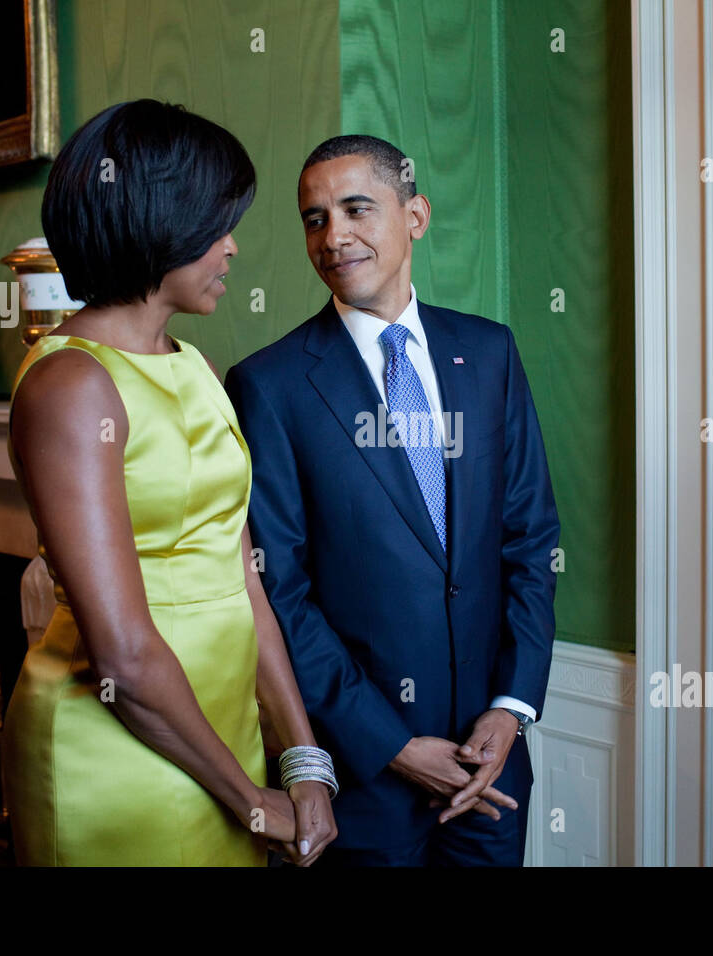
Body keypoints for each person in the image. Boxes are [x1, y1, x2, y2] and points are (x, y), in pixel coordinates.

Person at [2, 100, 336, 866]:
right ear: (161, 223)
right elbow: (120, 653)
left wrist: (301, 761)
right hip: (117, 760)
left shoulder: (194, 366)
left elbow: (243, 580)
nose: (233, 247)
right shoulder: (70, 387)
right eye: (216, 226)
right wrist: (253, 806)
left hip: (227, 743)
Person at [225, 135, 560, 866]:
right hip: (364, 783)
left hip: (490, 770)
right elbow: (280, 591)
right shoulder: (270, 386)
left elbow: (531, 542)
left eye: (355, 209)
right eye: (314, 218)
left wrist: (510, 711)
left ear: (415, 215)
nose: (333, 236)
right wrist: (394, 746)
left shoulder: (491, 353)